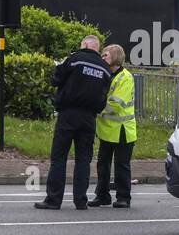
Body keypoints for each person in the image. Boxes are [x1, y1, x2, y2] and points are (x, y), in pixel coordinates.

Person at [35, 34, 111, 211]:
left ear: (84, 44)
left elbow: (56, 78)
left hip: (68, 114)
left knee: (59, 157)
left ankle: (54, 200)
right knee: (83, 160)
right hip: (89, 118)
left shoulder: (75, 59)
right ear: (97, 48)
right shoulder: (105, 69)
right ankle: (81, 201)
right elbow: (103, 96)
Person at [91, 44, 136, 209]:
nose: (102, 57)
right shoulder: (104, 74)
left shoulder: (125, 77)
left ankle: (123, 197)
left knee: (121, 165)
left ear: (116, 57)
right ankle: (102, 195)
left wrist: (96, 108)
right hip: (106, 130)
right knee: (102, 164)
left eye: (106, 55)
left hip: (122, 130)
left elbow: (116, 104)